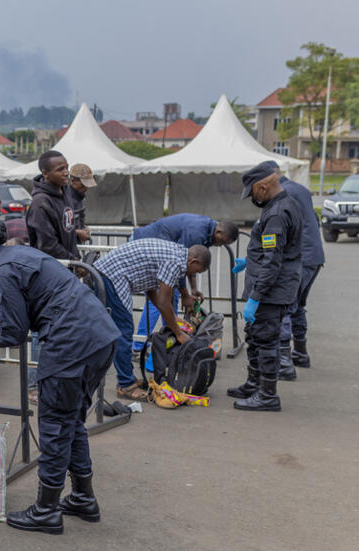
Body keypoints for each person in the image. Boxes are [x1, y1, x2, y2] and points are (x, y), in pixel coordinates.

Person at [0, 219, 119, 535]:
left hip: (71, 344)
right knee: (71, 421)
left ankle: (47, 511)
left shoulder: (5, 273)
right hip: (99, 338)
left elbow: (12, 331)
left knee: (53, 424)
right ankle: (82, 497)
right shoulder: (18, 256)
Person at [92, 239, 212, 401]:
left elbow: (151, 291)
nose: (193, 275)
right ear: (193, 261)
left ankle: (127, 377)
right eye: (196, 270)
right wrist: (178, 333)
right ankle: (125, 385)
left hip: (109, 273)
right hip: (112, 277)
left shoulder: (175, 253)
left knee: (121, 330)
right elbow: (163, 302)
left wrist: (172, 317)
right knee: (124, 332)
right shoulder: (175, 263)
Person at [229, 163, 302, 412]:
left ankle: (268, 395)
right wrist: (249, 261)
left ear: (263, 186)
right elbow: (273, 251)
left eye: (252, 193)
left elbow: (273, 260)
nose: (252, 198)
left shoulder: (278, 213)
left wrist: (255, 297)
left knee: (267, 341)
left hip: (272, 291)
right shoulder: (278, 206)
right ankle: (254, 385)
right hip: (270, 286)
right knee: (256, 337)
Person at [130, 214, 239, 357]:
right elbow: (182, 263)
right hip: (143, 247)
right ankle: (138, 348)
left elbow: (190, 263)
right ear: (218, 233)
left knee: (171, 299)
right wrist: (185, 294)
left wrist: (192, 290)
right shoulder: (196, 232)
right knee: (158, 301)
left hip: (160, 256)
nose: (218, 245)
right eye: (220, 242)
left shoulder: (207, 232)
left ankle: (170, 341)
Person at [265, 161, 324, 379]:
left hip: (300, 258)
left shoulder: (284, 194)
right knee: (298, 306)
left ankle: (284, 362)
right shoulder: (301, 189)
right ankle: (300, 354)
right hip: (315, 256)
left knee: (286, 307)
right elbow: (313, 221)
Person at [27, 150, 80, 260]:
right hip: (51, 269)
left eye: (67, 167)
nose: (66, 172)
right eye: (60, 169)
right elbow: (48, 245)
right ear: (45, 173)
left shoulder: (66, 191)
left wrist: (76, 257)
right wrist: (73, 262)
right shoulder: (40, 202)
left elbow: (67, 231)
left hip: (69, 265)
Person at [66, 163, 95, 243]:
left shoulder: (81, 197)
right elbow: (60, 228)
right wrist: (77, 232)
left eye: (88, 185)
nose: (86, 188)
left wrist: (84, 228)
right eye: (83, 185)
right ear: (72, 181)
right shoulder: (64, 199)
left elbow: (80, 218)